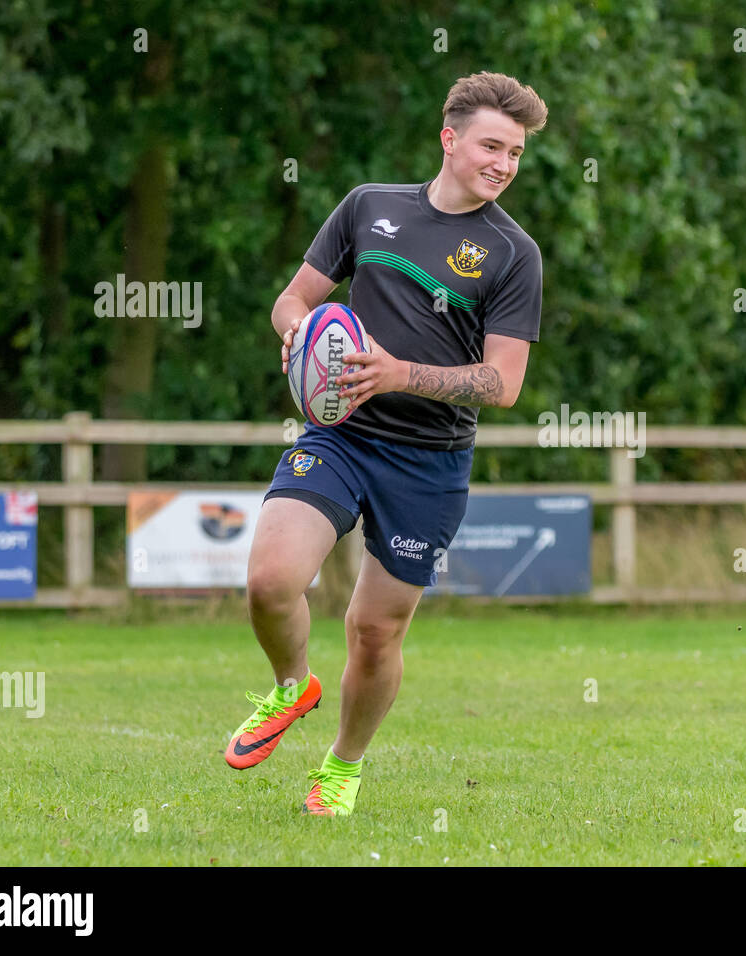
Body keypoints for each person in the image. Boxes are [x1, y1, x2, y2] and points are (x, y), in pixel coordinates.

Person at [223, 72, 547, 816]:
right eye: (492, 146)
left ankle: (342, 766)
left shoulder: (512, 253)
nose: (503, 164)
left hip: (429, 464)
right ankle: (291, 685)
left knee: (373, 633)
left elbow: (504, 384)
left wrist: (401, 373)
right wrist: (297, 333)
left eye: (516, 154)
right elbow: (293, 299)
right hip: (339, 433)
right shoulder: (370, 206)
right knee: (271, 582)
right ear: (450, 139)